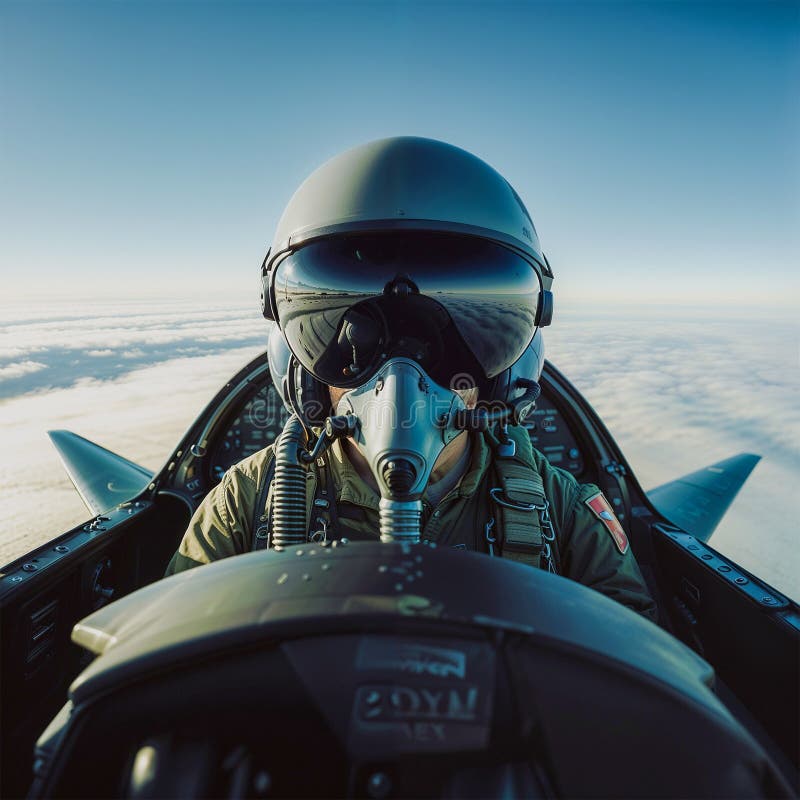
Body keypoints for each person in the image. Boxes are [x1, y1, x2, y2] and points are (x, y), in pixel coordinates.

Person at [166, 137, 656, 621]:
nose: (401, 378)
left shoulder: (560, 512)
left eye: (445, 344)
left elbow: (635, 656)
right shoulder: (246, 504)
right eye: (359, 343)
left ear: (503, 375)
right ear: (303, 370)